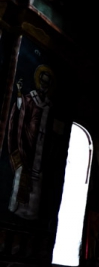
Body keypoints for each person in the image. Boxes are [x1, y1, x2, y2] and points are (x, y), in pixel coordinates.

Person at [7, 66, 53, 219]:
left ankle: (30, 212)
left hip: (40, 147)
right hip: (28, 142)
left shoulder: (48, 104)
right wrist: (19, 92)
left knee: (36, 178)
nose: (44, 85)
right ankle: (16, 207)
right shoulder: (30, 97)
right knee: (23, 173)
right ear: (39, 81)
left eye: (47, 83)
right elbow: (21, 108)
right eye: (42, 81)